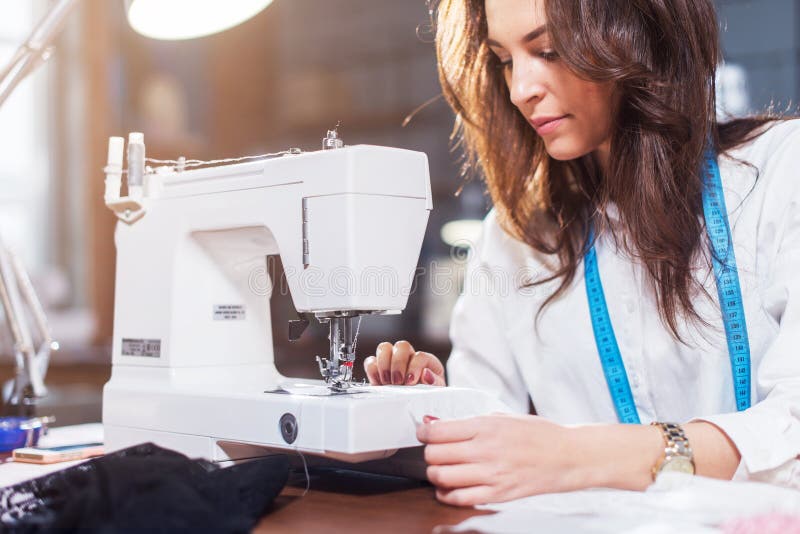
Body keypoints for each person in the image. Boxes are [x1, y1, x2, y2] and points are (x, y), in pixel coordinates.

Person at [362, 0, 800, 506]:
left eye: (548, 50)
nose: (521, 89)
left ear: (638, 31)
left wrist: (575, 455)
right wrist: (434, 413)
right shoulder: (513, 239)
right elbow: (488, 432)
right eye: (505, 61)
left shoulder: (782, 174)